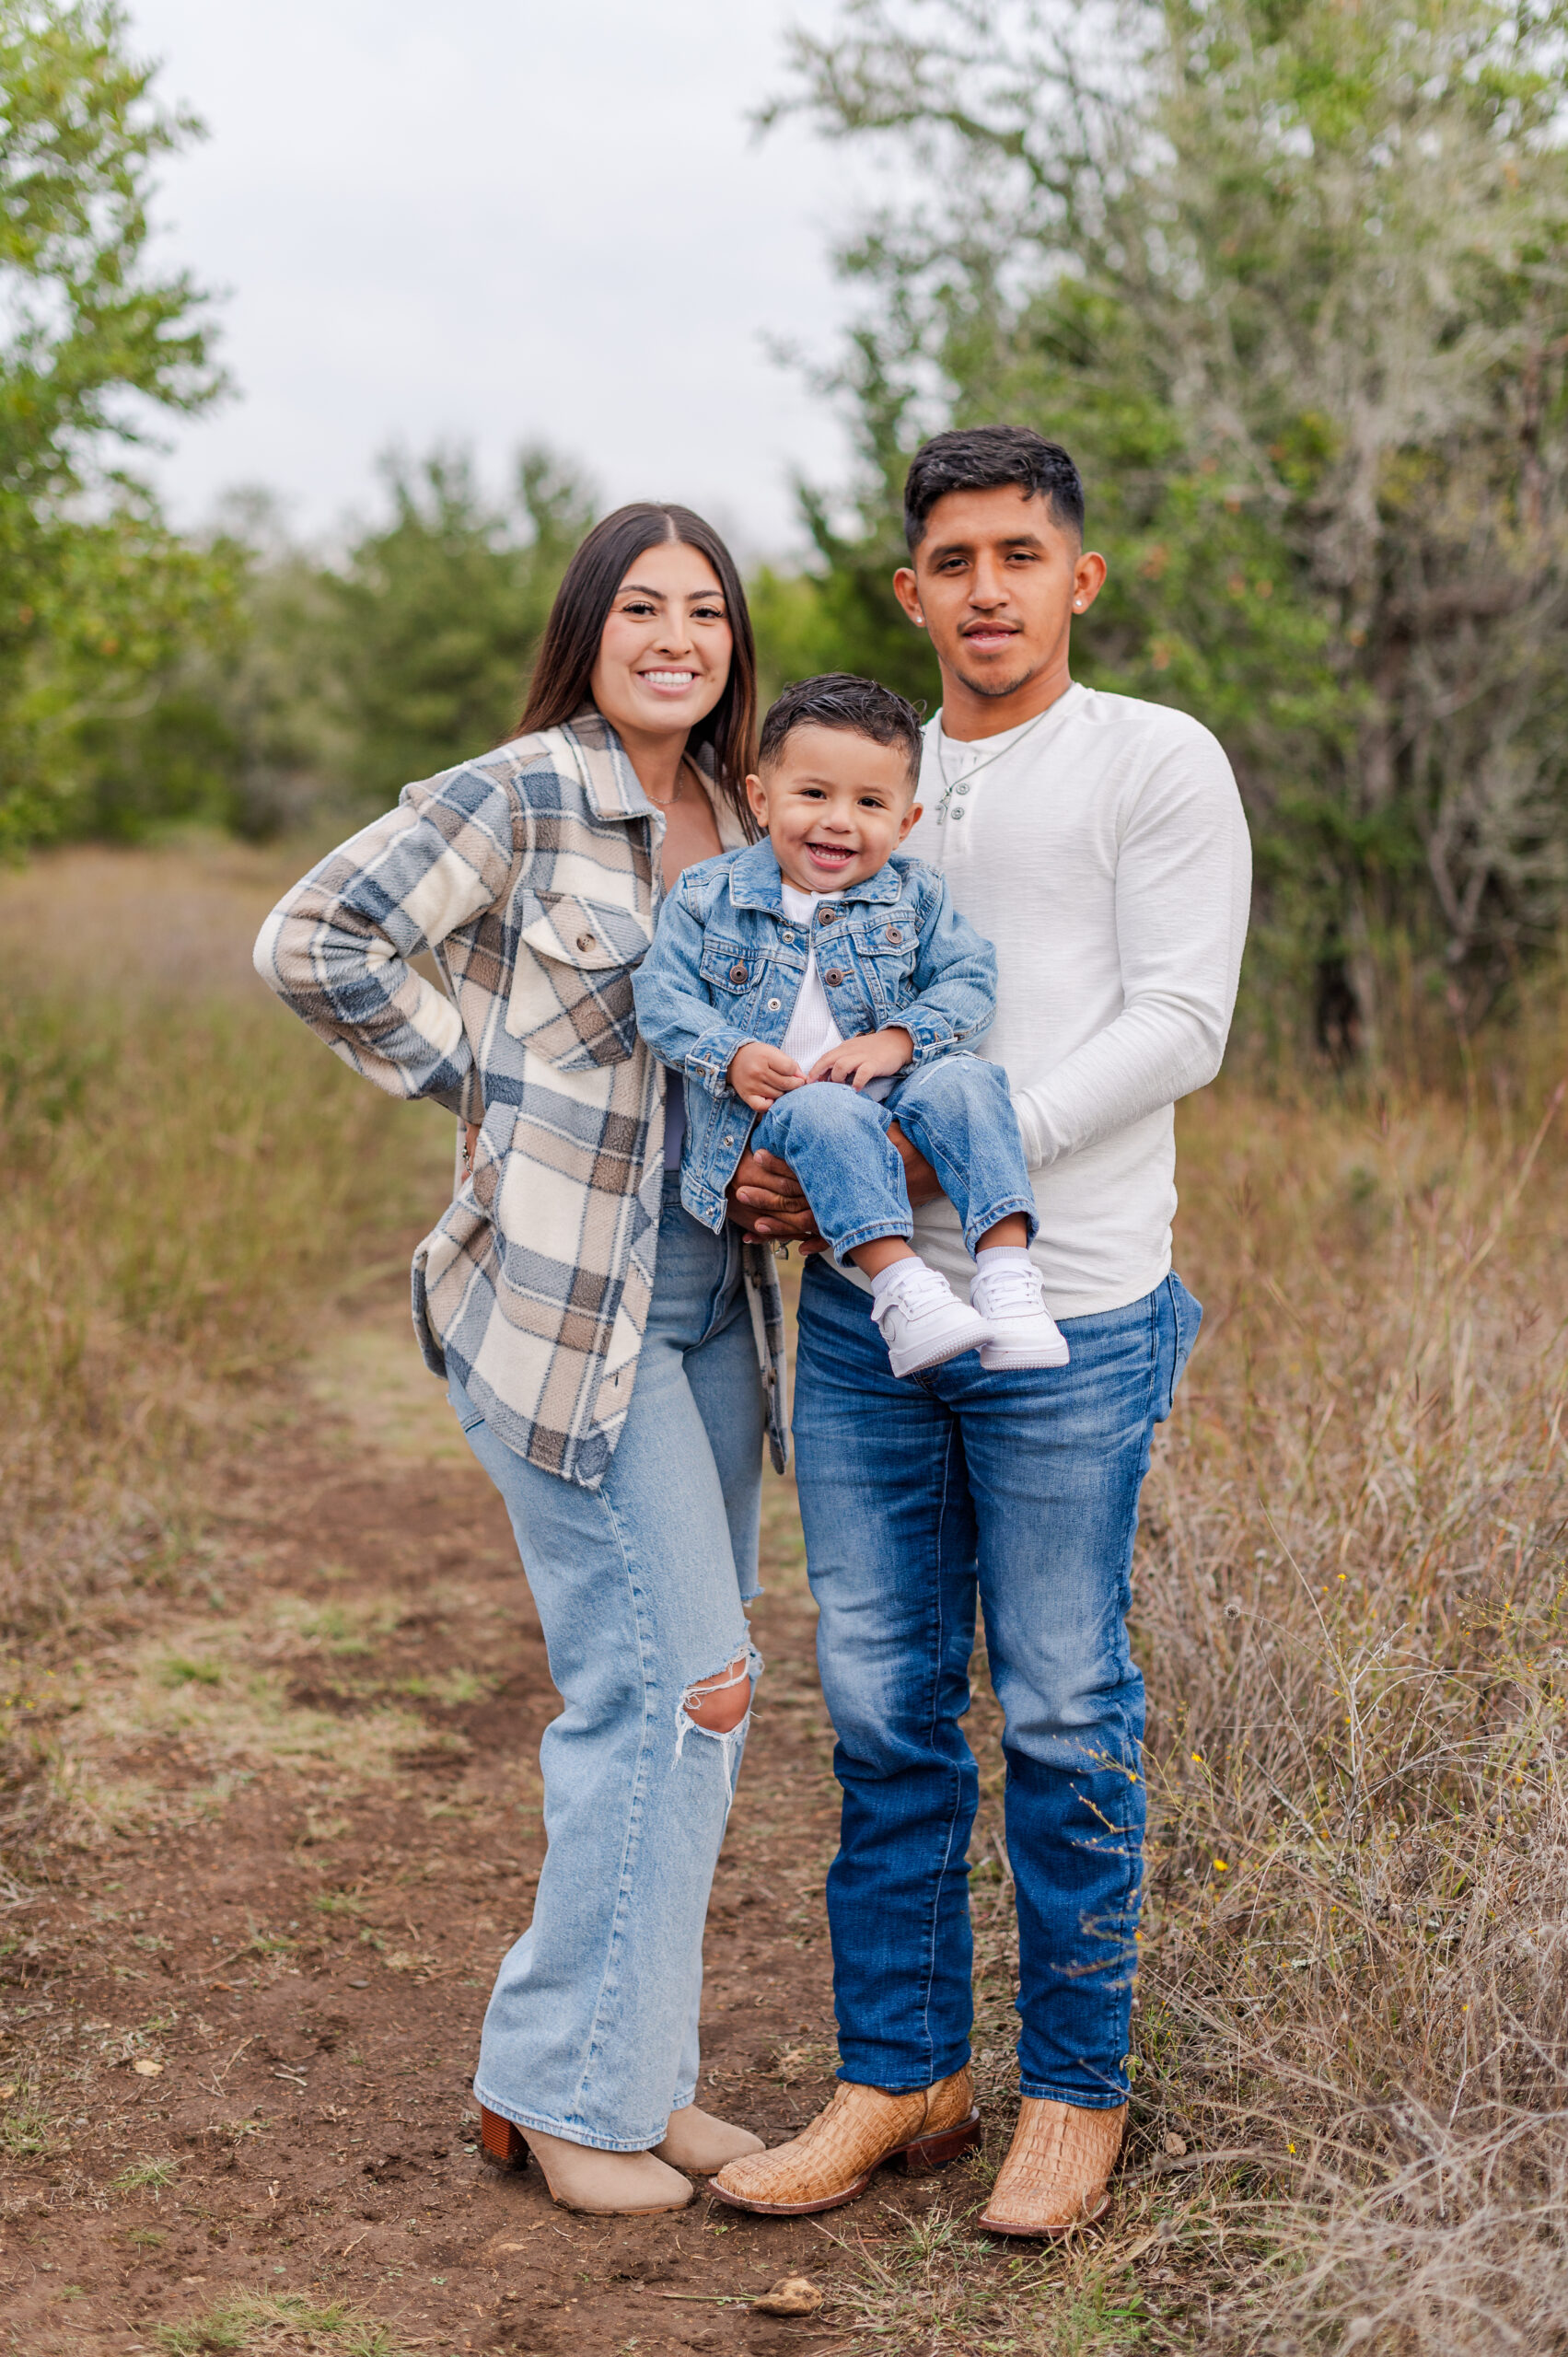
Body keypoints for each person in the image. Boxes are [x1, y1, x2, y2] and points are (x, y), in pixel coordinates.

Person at [712, 425, 1251, 2235]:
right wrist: (781, 1161)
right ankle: (903, 2070)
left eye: (1019, 554)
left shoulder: (1148, 760)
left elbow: (1178, 1017)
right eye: (952, 559)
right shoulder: (857, 775)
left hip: (1069, 1308)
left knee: (1059, 1701)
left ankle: (1070, 2090)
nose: (987, 588)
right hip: (868, 1313)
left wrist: (959, 1136)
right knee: (876, 1705)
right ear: (909, 589)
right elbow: (758, 995)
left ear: (1074, 576)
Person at [254, 503, 788, 2219]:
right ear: (591, 625)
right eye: (641, 607)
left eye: (703, 612)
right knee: (666, 1683)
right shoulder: (524, 788)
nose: (674, 637)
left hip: (726, 1304)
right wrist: (482, 1085)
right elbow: (314, 940)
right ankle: (557, 2095)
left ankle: (639, 2081)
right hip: (571, 1311)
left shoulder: (748, 808)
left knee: (713, 1703)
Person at [634, 672, 1069, 1378]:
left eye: (869, 803)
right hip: (784, 1114)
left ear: (904, 824)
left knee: (968, 1080)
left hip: (897, 1098)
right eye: (813, 794)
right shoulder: (708, 895)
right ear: (759, 799)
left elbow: (970, 978)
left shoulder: (914, 895)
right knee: (827, 1110)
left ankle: (1008, 1276)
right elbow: (661, 997)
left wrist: (900, 1039)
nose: (838, 820)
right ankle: (902, 1290)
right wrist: (733, 1052)